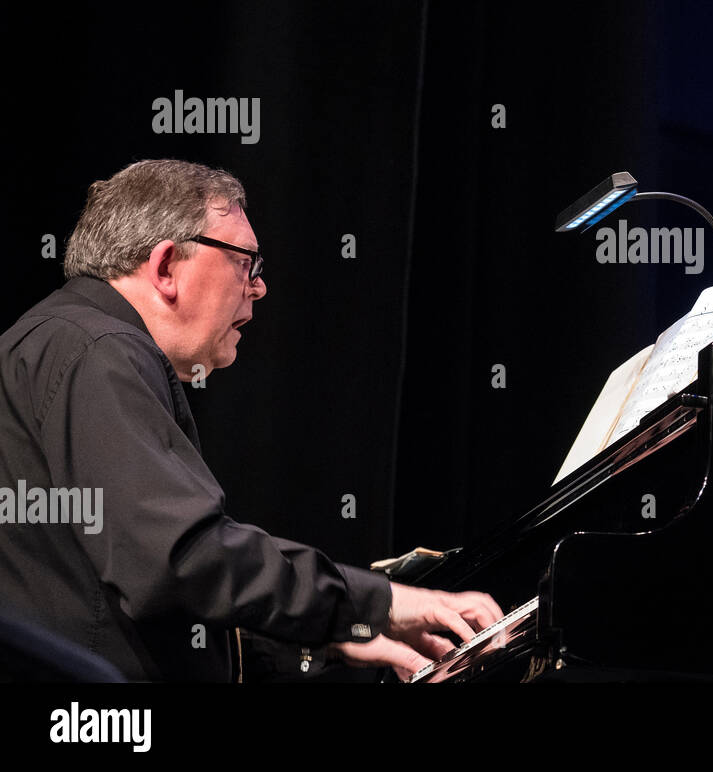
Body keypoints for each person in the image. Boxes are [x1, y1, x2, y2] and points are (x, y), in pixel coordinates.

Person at [0, 159, 502, 681]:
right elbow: (180, 562)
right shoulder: (99, 349)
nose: (259, 288)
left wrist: (326, 640)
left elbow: (127, 597)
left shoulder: (64, 342)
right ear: (167, 265)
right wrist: (379, 602)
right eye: (247, 263)